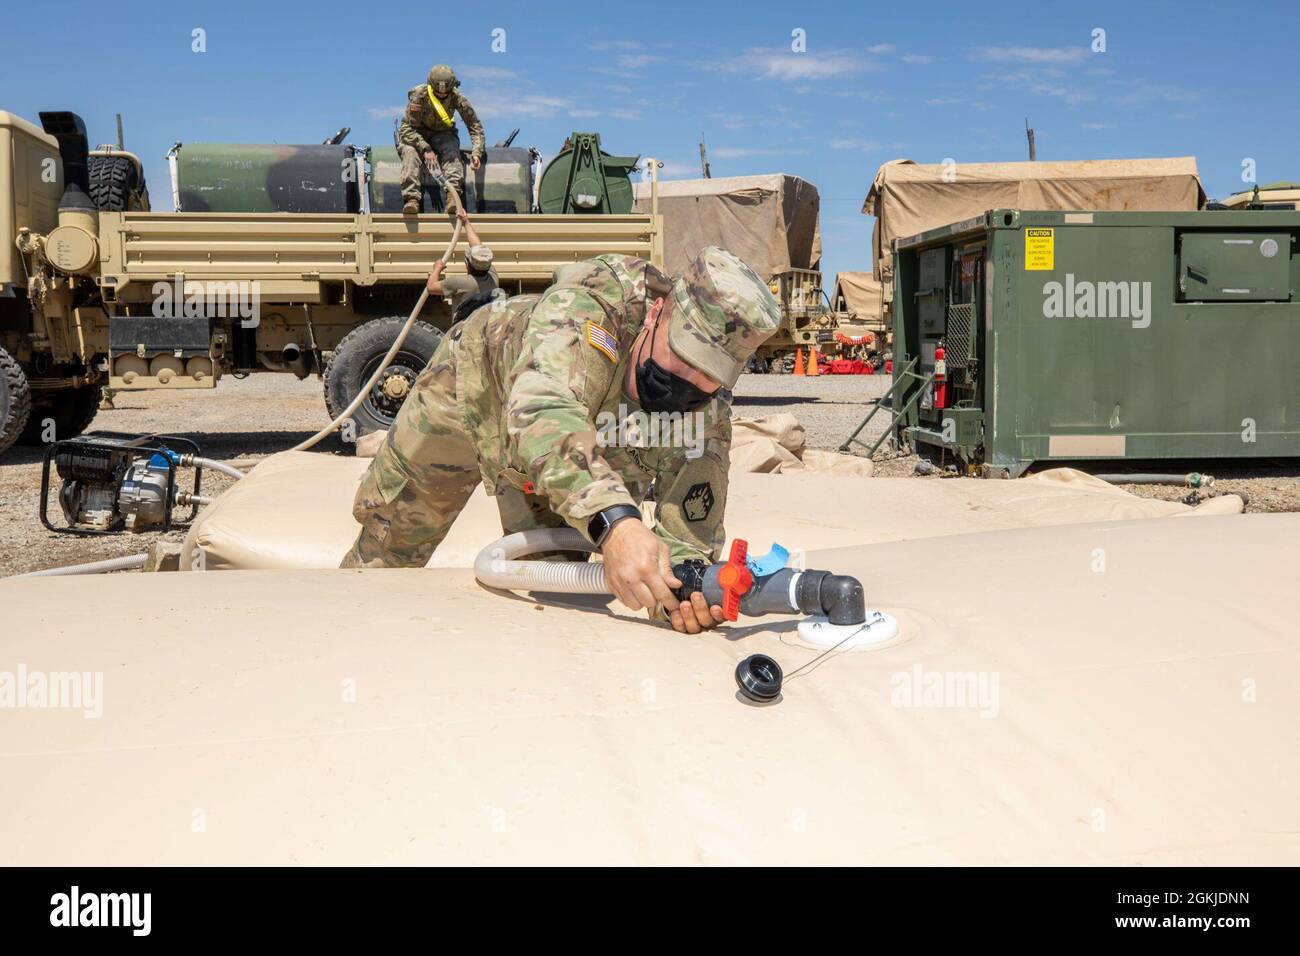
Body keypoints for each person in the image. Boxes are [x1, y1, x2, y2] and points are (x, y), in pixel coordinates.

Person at [340, 247, 782, 634]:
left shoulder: (708, 413)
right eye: (683, 357)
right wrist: (617, 524)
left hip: (572, 443)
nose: (688, 382)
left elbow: (688, 537)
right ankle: (346, 649)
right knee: (390, 549)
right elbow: (544, 411)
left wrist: (681, 597)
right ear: (656, 312)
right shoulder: (593, 301)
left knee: (556, 592)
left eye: (709, 374)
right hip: (473, 387)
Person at [398, 64, 485, 216]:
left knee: (452, 151)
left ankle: (453, 197)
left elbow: (474, 124)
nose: (442, 96)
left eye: (446, 94)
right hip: (417, 134)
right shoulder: (419, 95)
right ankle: (412, 200)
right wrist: (425, 148)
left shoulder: (457, 97)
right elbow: (406, 129)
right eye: (438, 94)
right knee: (409, 153)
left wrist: (477, 151)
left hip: (443, 133)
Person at [426, 209, 500, 323]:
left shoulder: (458, 282)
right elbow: (479, 249)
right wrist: (466, 222)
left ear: (467, 265)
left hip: (463, 334)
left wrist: (436, 269)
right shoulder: (493, 278)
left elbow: (430, 287)